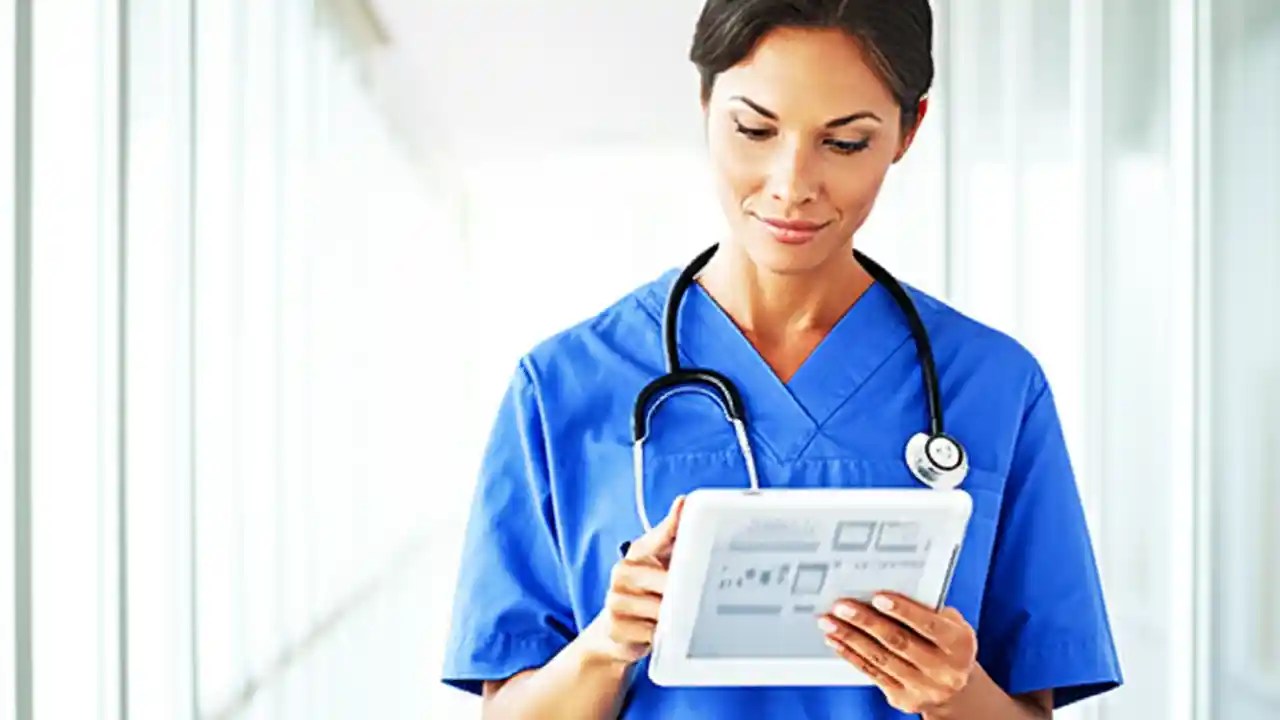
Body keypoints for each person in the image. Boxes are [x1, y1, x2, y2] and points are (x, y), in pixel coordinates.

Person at [441, 1, 1123, 717]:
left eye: (846, 143)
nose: (792, 184)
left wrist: (953, 692)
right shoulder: (562, 385)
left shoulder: (992, 386)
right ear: (705, 105)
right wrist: (606, 645)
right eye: (755, 130)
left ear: (908, 130)